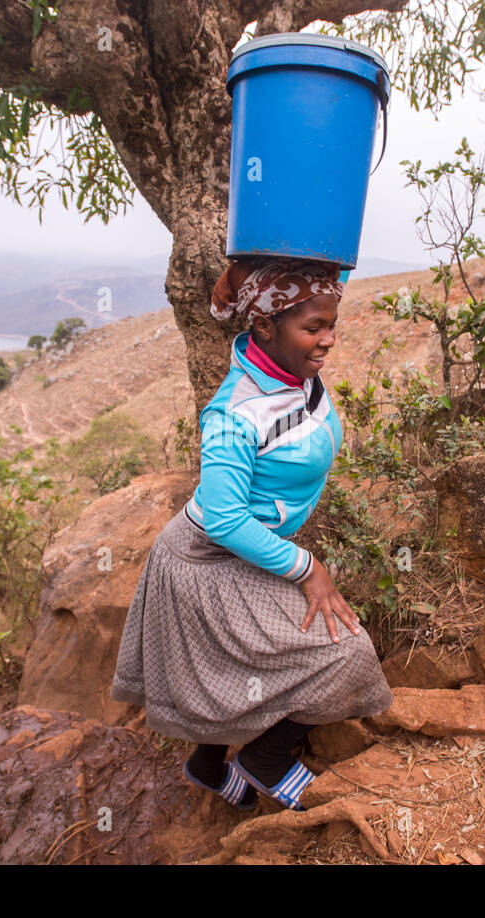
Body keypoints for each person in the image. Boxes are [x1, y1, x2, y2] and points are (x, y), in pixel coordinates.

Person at [110, 255, 394, 813]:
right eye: (314, 328)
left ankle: (206, 763)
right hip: (204, 558)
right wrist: (309, 569)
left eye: (331, 325)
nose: (328, 340)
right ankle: (264, 759)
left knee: (243, 662)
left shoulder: (294, 377)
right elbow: (222, 517)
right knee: (347, 651)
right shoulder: (235, 414)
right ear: (264, 327)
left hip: (250, 550)